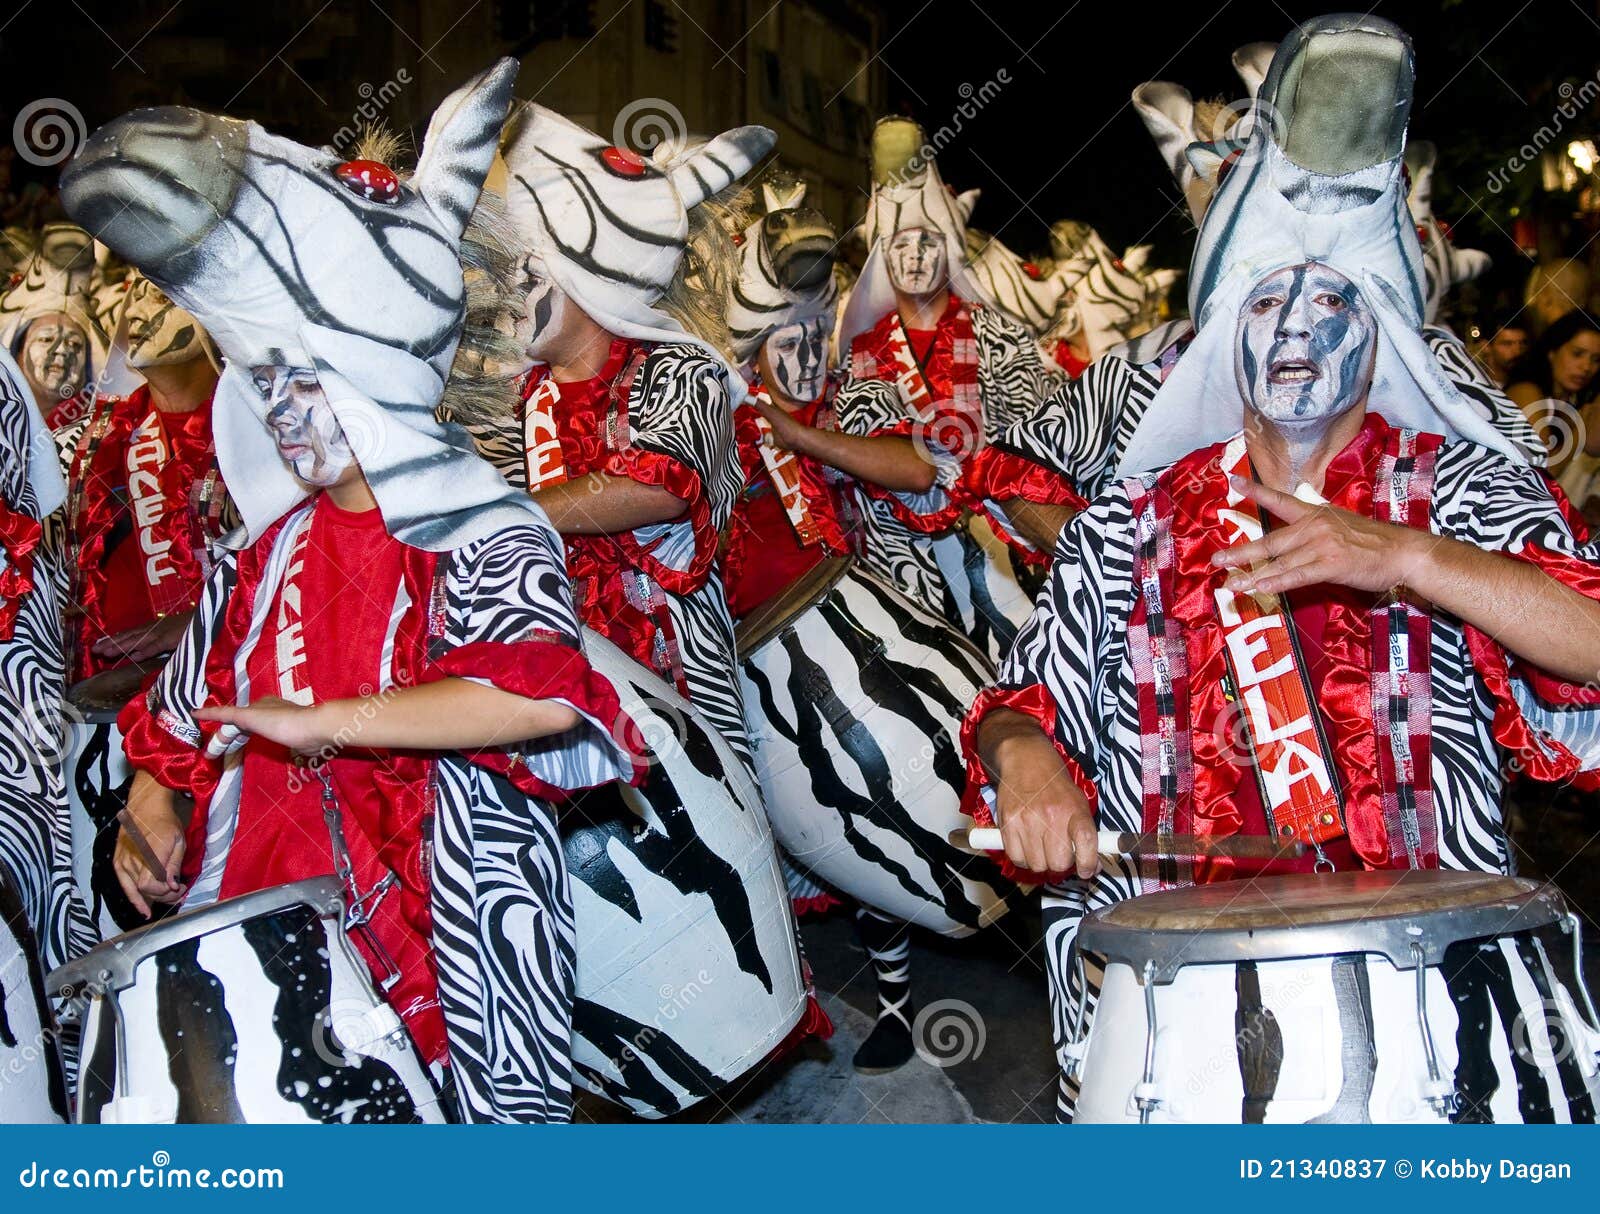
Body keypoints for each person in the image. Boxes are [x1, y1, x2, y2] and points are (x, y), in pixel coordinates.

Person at [961, 14, 1600, 1122]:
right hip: (1177, 1003)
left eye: (1331, 300)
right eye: (1266, 299)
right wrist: (1025, 762)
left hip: (1424, 995)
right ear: (1224, 337)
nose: (1298, 327)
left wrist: (1402, 553)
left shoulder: (1450, 489)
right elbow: (1021, 703)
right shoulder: (1135, 519)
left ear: (1381, 329)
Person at [65, 59, 640, 1124]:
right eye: (263, 383)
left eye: (305, 380)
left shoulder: (485, 523)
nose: (282, 413)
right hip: (276, 929)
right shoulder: (261, 549)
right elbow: (183, 721)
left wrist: (328, 720)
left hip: (455, 927)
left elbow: (540, 697)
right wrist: (155, 801)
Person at [723, 177, 944, 1072]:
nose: (811, 350)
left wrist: (799, 434)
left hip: (856, 635)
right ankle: (784, 1011)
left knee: (875, 807)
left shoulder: (857, 393)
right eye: (791, 335)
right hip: (739, 654)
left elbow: (921, 469)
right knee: (771, 839)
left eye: (820, 328)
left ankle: (895, 1004)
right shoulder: (714, 409)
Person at [491, 104, 774, 769]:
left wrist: (506, 516)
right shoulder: (518, 401)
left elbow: (658, 486)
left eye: (526, 275)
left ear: (588, 278)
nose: (507, 294)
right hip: (565, 696)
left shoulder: (683, 366)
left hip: (682, 696)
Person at [837, 117, 1082, 665]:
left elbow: (1050, 443)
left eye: (930, 240)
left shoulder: (1004, 337)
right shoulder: (863, 354)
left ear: (949, 248)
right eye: (902, 241)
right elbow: (869, 457)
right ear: (881, 253)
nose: (918, 254)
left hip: (1018, 559)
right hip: (913, 578)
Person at [64, 273, 232, 681]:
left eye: (158, 293)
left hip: (215, 695)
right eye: (132, 298)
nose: (138, 311)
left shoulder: (269, 432)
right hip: (102, 705)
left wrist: (203, 621)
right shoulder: (88, 440)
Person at [0, 224, 104, 431]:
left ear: (89, 369)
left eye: (74, 344)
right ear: (16, 355)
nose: (61, 350)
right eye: (46, 339)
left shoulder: (108, 433)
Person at [1505, 309, 1600, 522]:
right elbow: (1546, 471)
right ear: (1552, 352)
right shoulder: (1526, 392)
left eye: (1596, 359)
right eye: (1577, 354)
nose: (1586, 367)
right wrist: (1581, 428)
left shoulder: (1574, 403)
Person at [1473, 311, 1532, 388]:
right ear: (1486, 347)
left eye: (1522, 343)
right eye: (1507, 344)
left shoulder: (1531, 386)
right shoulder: (1477, 387)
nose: (1517, 351)